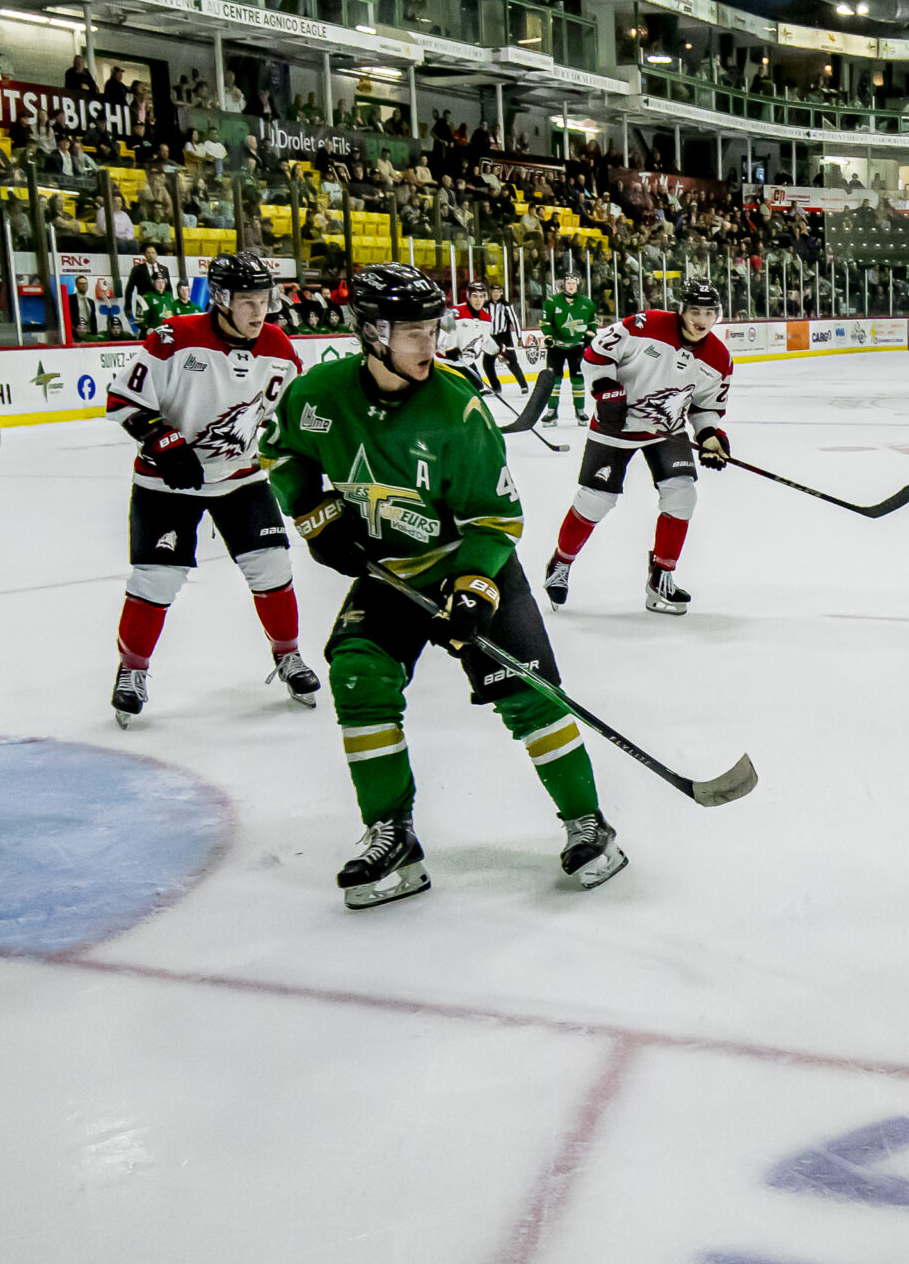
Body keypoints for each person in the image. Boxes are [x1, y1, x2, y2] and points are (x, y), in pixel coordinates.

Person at [260, 261, 626, 905]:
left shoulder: (458, 407)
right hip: (390, 571)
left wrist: (470, 593)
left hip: (469, 563)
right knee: (356, 673)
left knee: (526, 690)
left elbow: (496, 517)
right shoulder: (318, 394)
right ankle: (391, 835)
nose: (429, 345)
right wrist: (315, 516)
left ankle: (588, 824)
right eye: (412, 333)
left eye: (433, 330)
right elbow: (283, 452)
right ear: (372, 334)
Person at [102, 250, 315, 725]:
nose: (259, 310)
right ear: (220, 298)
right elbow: (122, 399)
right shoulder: (174, 336)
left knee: (272, 565)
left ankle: (288, 655)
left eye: (264, 299)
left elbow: (291, 416)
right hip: (165, 484)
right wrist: (165, 441)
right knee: (157, 578)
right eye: (247, 301)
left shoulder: (279, 348)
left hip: (240, 478)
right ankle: (132, 669)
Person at [544, 278, 733, 615]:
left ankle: (661, 576)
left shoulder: (719, 358)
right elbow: (596, 353)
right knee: (596, 501)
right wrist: (605, 388)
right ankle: (561, 562)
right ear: (681, 310)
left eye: (708, 313)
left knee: (682, 494)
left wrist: (708, 436)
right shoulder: (645, 325)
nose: (700, 320)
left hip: (666, 432)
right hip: (615, 428)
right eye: (694, 311)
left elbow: (706, 406)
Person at [536, 272, 595, 426]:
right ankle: (552, 411)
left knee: (578, 379)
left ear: (578, 284)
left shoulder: (586, 302)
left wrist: (590, 334)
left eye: (573, 282)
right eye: (568, 282)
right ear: (563, 284)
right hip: (556, 347)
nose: (570, 285)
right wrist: (548, 336)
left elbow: (592, 322)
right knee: (554, 379)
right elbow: (545, 322)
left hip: (577, 347)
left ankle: (580, 411)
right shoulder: (552, 302)